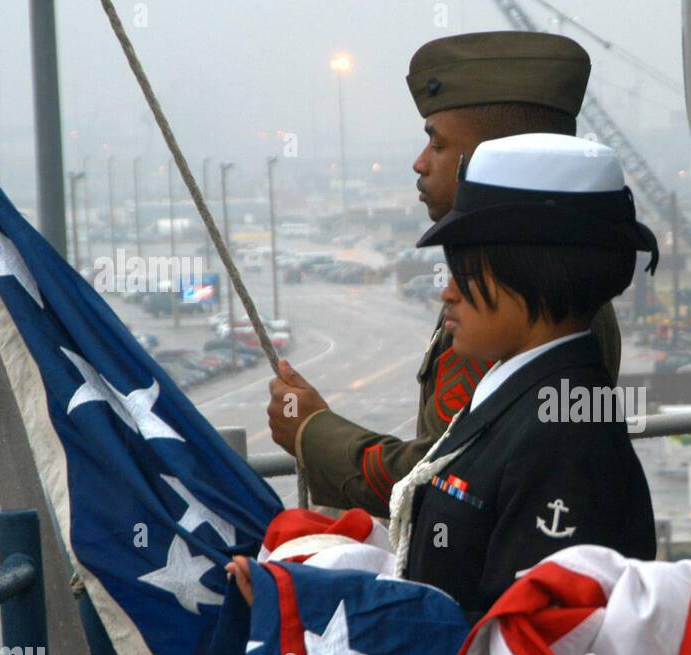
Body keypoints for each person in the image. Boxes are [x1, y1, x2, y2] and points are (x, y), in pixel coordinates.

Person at [267, 32, 623, 516]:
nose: (419, 162)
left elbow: (442, 477)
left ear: (488, 158)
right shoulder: (545, 276)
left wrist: (312, 431)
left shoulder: (519, 295)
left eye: (436, 141)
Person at [385, 133, 659, 620]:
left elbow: (522, 642)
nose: (447, 293)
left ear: (531, 276)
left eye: (466, 271)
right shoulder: (520, 394)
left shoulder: (564, 436)